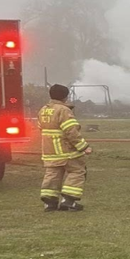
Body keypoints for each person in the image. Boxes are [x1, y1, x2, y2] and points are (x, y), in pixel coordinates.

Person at [38, 84, 92, 212]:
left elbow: (41, 127)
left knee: (52, 174)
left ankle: (50, 203)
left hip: (50, 151)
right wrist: (84, 147)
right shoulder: (64, 110)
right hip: (66, 150)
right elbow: (71, 131)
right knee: (77, 171)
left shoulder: (43, 110)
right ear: (65, 97)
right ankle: (68, 201)